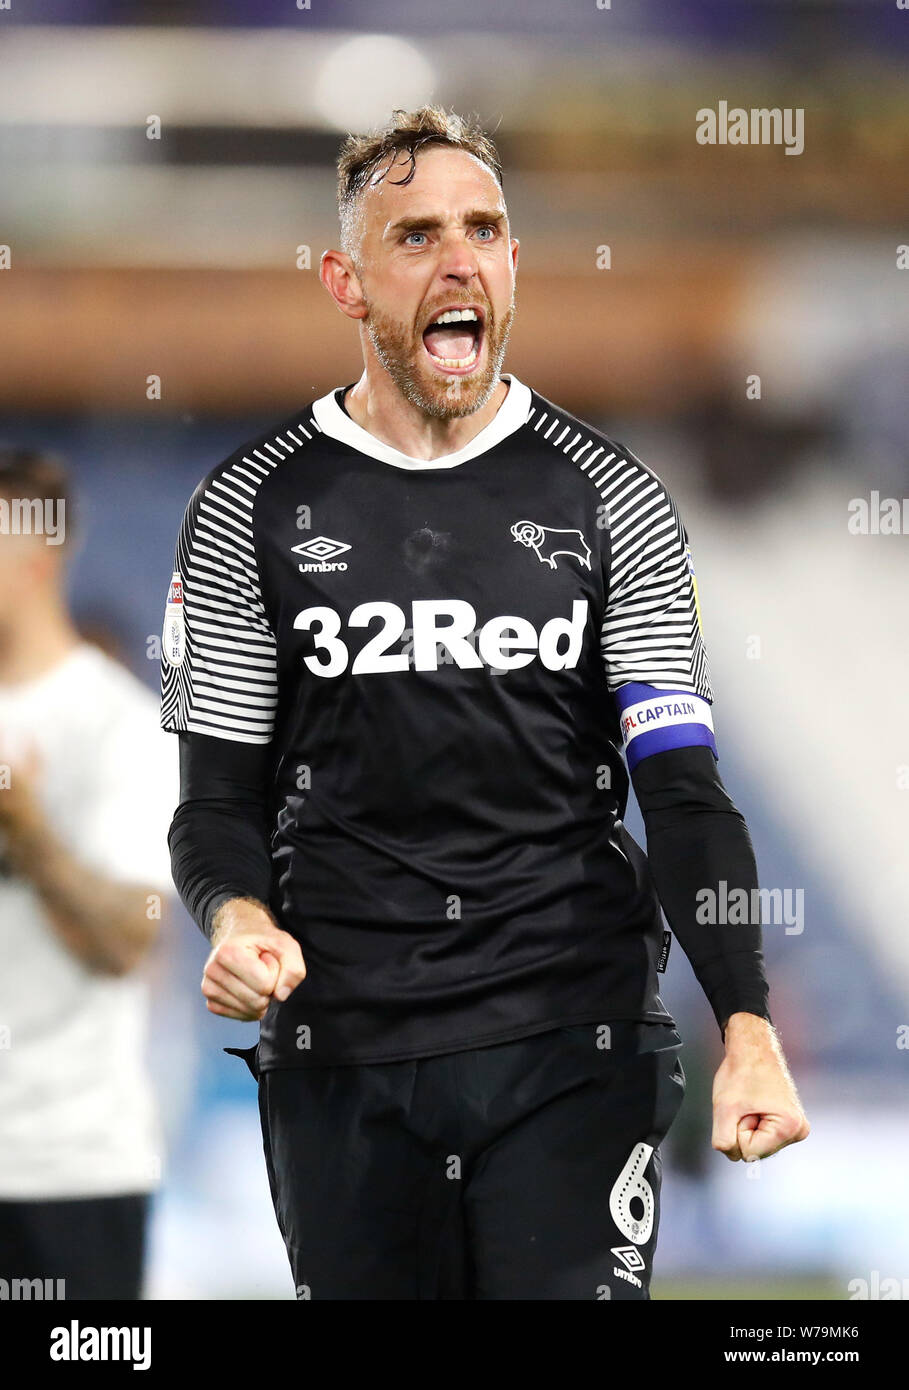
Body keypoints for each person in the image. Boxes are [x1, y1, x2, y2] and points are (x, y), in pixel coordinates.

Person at [162, 106, 809, 1301]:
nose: (460, 259)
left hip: (574, 1041)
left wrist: (748, 1024)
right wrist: (235, 913)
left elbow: (683, 789)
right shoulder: (247, 509)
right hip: (345, 1053)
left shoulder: (616, 500)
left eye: (486, 229)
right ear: (347, 281)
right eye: (417, 236)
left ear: (513, 265)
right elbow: (214, 801)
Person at [0, 448, 176, 1300]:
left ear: (35, 560)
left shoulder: (120, 727)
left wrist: (30, 835)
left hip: (66, 1167)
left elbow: (125, 938)